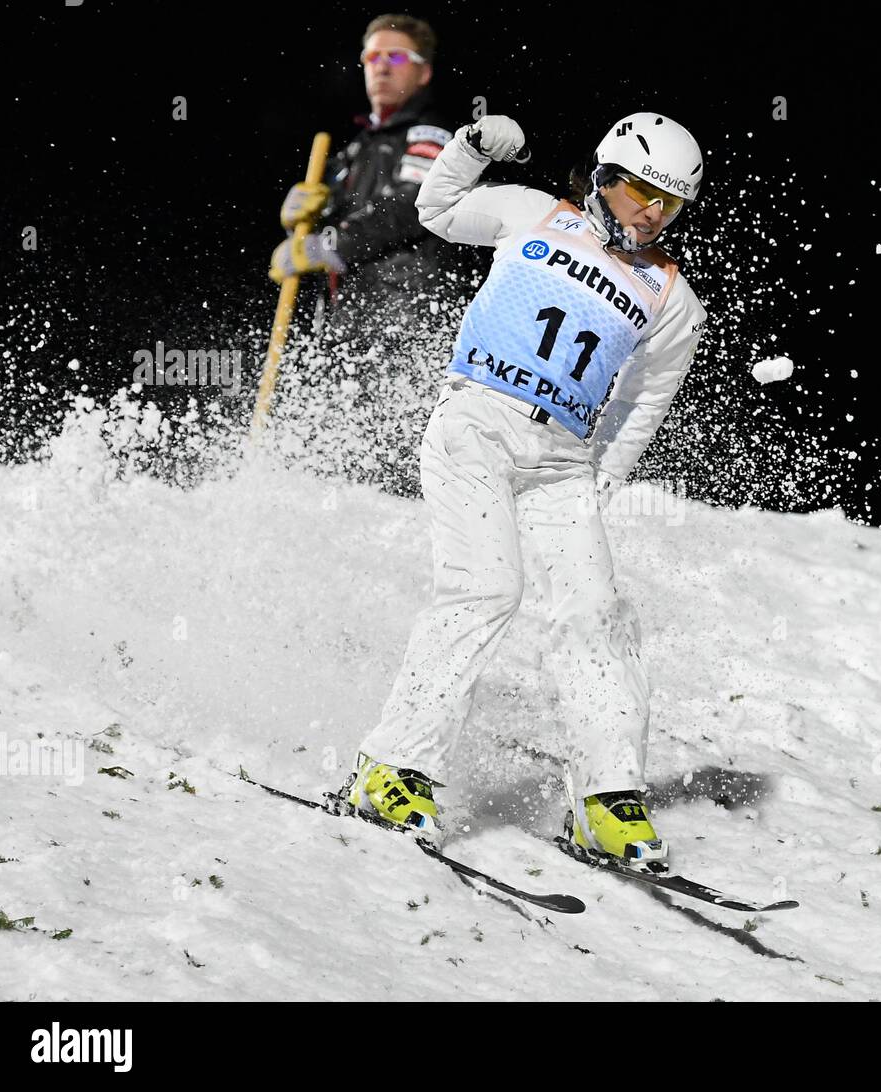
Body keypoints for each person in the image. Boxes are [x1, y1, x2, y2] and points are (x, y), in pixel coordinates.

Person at [336, 111, 708, 873]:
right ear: (604, 176)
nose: (652, 213)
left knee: (597, 612)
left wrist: (600, 483)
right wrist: (470, 147)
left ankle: (607, 800)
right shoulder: (533, 213)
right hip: (475, 423)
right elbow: (438, 210)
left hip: (562, 461)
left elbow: (642, 402)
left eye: (669, 203)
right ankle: (390, 768)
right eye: (642, 192)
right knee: (486, 590)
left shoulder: (672, 297)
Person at [269, 13, 462, 334]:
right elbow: (328, 234)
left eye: (397, 57)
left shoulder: (432, 134)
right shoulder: (354, 151)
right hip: (345, 325)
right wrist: (302, 226)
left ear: (424, 72)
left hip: (406, 322)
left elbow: (414, 203)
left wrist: (334, 243)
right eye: (372, 57)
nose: (382, 67)